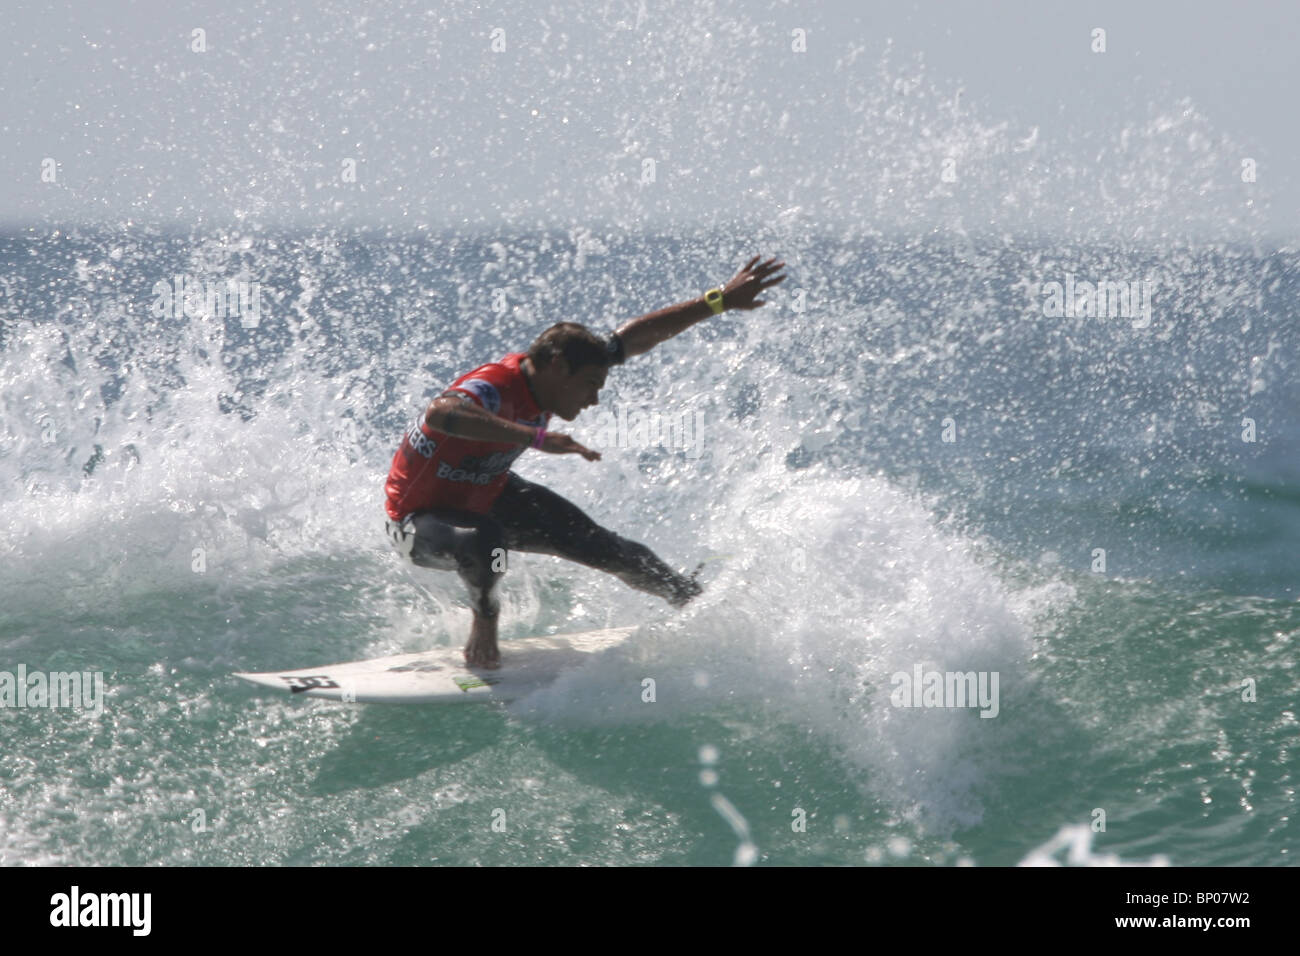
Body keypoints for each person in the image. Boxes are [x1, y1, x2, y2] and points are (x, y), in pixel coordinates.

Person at [383, 255, 786, 668]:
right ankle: (485, 621)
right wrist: (535, 437)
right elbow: (440, 413)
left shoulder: (558, 369)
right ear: (558, 366)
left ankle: (692, 600)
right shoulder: (492, 387)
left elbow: (633, 339)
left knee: (610, 548)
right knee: (485, 540)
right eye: (590, 385)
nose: (594, 399)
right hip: (417, 522)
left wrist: (718, 301)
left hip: (487, 494)